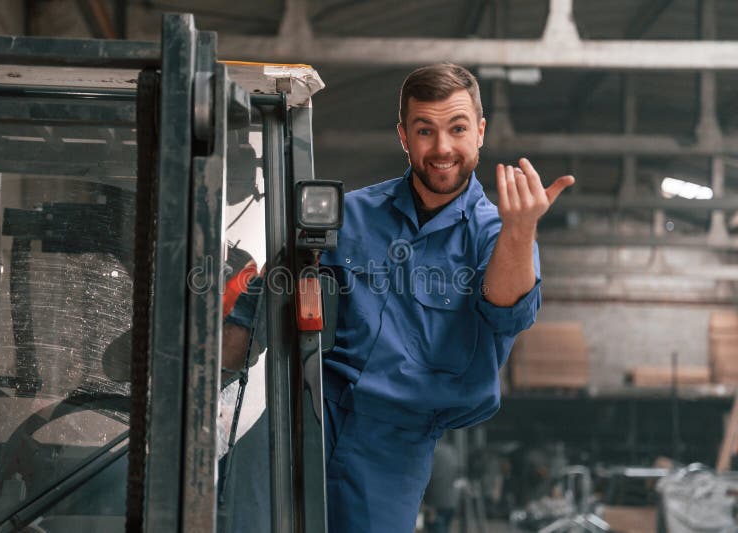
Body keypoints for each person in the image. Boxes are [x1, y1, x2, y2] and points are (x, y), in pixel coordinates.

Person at [223, 62, 574, 532]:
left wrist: (521, 228)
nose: (442, 147)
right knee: (233, 521)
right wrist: (205, 381)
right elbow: (269, 294)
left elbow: (508, 310)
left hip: (395, 444)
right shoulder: (351, 214)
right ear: (404, 136)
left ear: (481, 132)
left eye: (457, 128)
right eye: (425, 130)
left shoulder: (499, 237)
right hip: (305, 415)